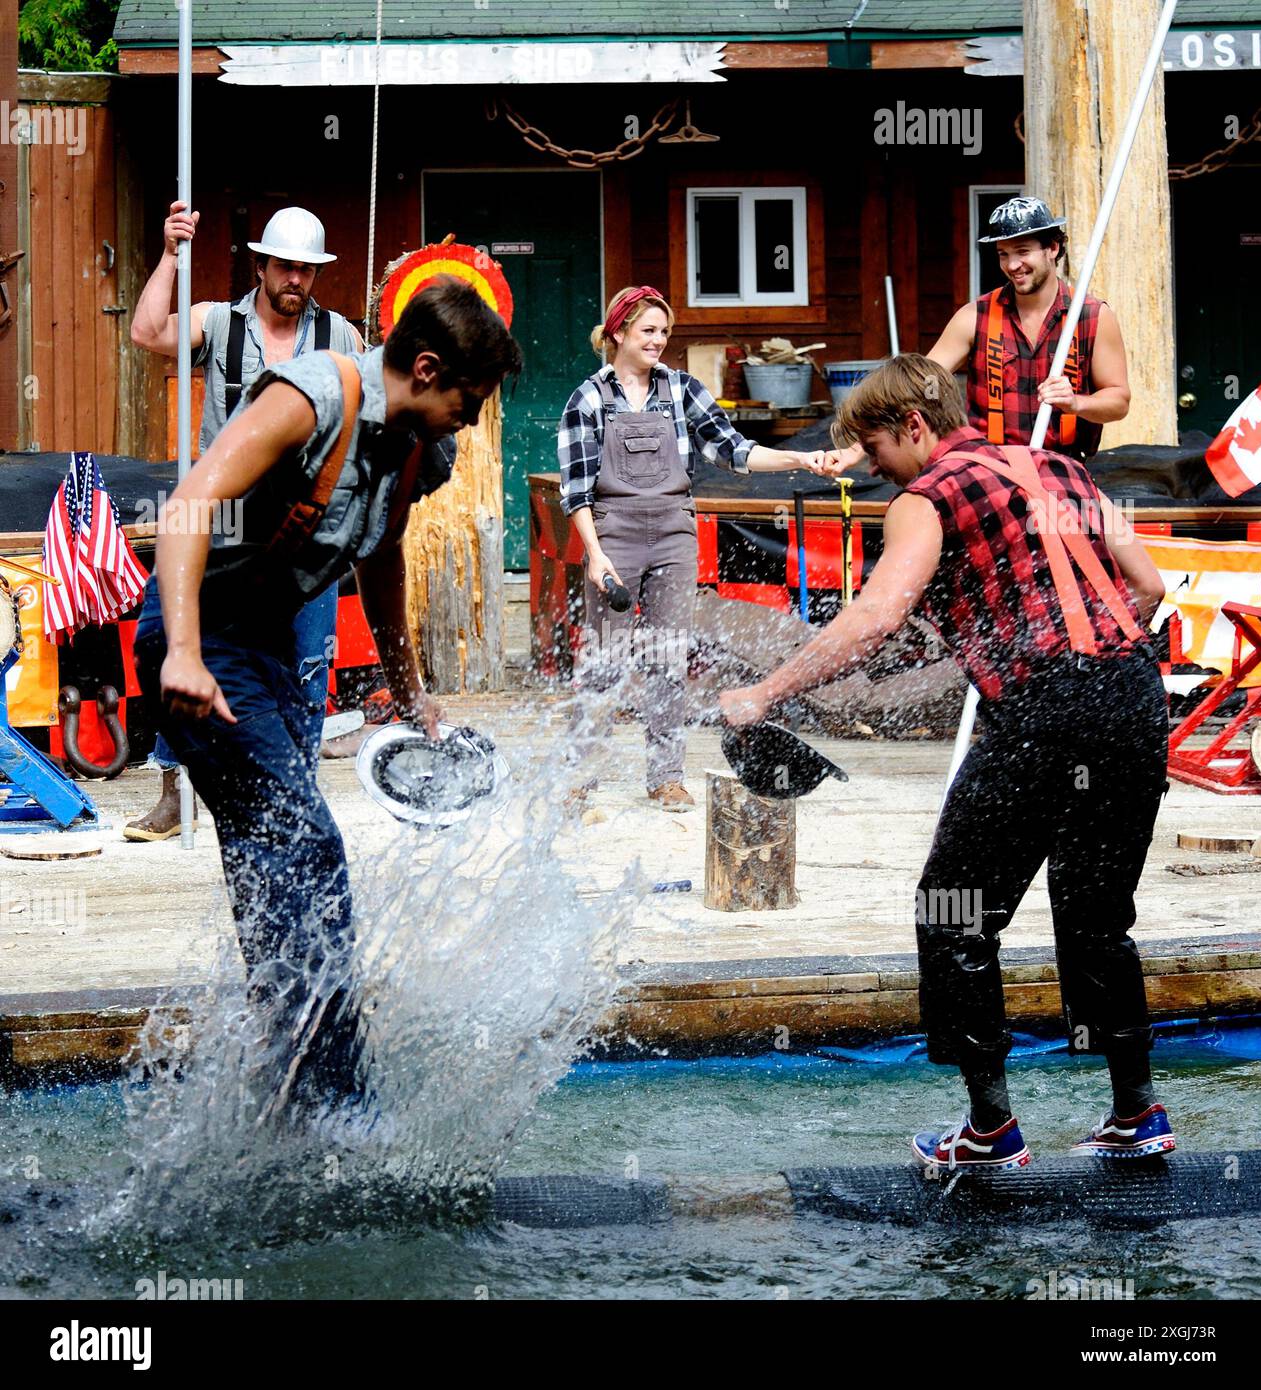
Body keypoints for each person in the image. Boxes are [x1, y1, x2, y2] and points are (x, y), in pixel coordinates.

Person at [720, 354, 1175, 1167]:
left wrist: (768, 692)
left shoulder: (928, 497)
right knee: (1097, 912)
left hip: (1044, 710)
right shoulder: (1062, 468)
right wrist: (1085, 656)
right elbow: (1147, 586)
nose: (876, 471)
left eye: (877, 450)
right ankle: (1137, 1112)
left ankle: (991, 1128)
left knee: (954, 908)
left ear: (915, 427)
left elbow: (875, 617)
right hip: (1136, 698)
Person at [134, 277, 522, 1116]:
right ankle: (335, 1101)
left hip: (265, 650)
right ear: (424, 368)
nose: (473, 417)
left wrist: (410, 694)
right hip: (196, 643)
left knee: (271, 862)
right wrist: (188, 658)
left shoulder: (418, 448)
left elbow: (382, 562)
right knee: (307, 848)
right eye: (470, 397)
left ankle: (283, 1081)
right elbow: (189, 506)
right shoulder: (315, 393)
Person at [126, 204, 364, 841]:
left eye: (306, 270)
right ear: (261, 266)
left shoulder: (339, 336)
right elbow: (147, 333)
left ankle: (298, 793)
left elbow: (365, 415)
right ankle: (174, 790)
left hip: (303, 528)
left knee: (307, 665)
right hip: (223, 522)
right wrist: (172, 252)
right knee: (189, 648)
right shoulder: (218, 323)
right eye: (285, 266)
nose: (296, 279)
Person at [559, 285, 829, 811]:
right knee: (603, 659)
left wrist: (801, 460)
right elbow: (576, 490)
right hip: (613, 534)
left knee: (668, 657)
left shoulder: (682, 391)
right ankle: (579, 775)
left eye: (664, 331)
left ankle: (665, 776)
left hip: (673, 533)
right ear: (617, 333)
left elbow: (735, 451)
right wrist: (594, 553)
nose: (658, 340)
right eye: (647, 331)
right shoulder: (588, 398)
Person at [821, 197, 1129, 475]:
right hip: (990, 473)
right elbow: (913, 389)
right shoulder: (974, 318)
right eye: (1003, 254)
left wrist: (1075, 403)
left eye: (1023, 252)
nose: (1012, 265)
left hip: (1067, 472)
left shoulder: (1092, 317)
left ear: (1053, 248)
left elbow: (1118, 401)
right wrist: (857, 449)